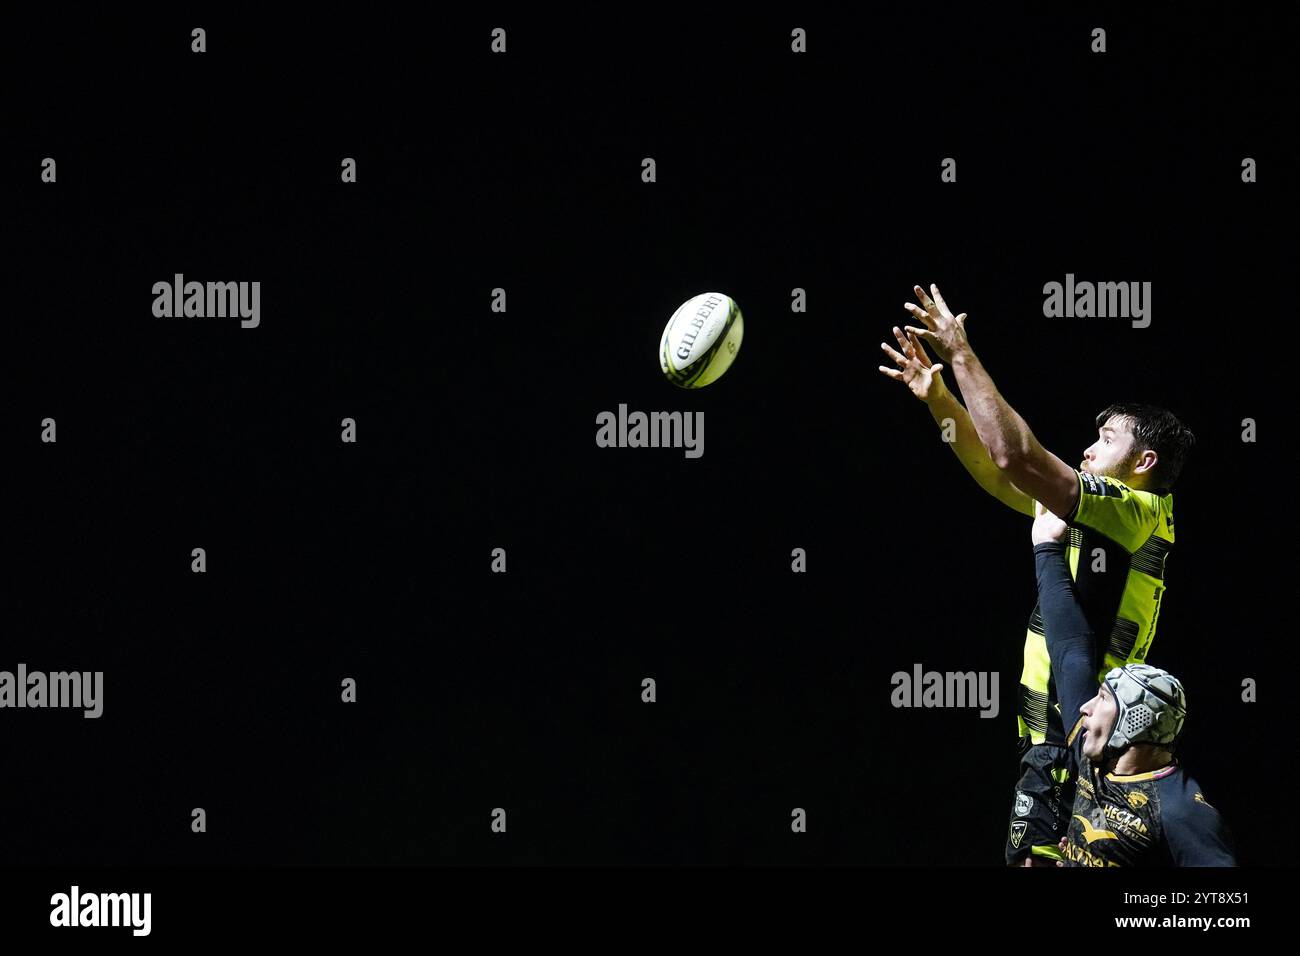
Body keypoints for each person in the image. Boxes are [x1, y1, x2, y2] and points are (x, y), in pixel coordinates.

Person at [878, 283, 1195, 865]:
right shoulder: (1098, 511)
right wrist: (940, 400)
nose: (1088, 449)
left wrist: (961, 354)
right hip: (1057, 733)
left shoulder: (1135, 510)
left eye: (1106, 440)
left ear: (1144, 462)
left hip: (1087, 735)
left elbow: (1015, 457)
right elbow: (1004, 476)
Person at [1030, 504, 1234, 865]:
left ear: (1134, 720)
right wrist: (1046, 546)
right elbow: (1069, 651)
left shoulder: (1181, 812)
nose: (1084, 706)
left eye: (1103, 698)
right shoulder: (1096, 753)